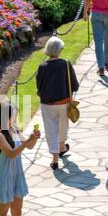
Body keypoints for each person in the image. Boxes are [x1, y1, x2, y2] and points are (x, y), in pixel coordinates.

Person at [35, 37, 78, 172]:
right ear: (59, 50)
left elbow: (39, 86)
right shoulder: (66, 64)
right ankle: (61, 147)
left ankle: (55, 158)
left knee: (51, 130)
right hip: (64, 102)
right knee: (63, 127)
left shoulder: (42, 67)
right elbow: (75, 85)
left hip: (47, 103)